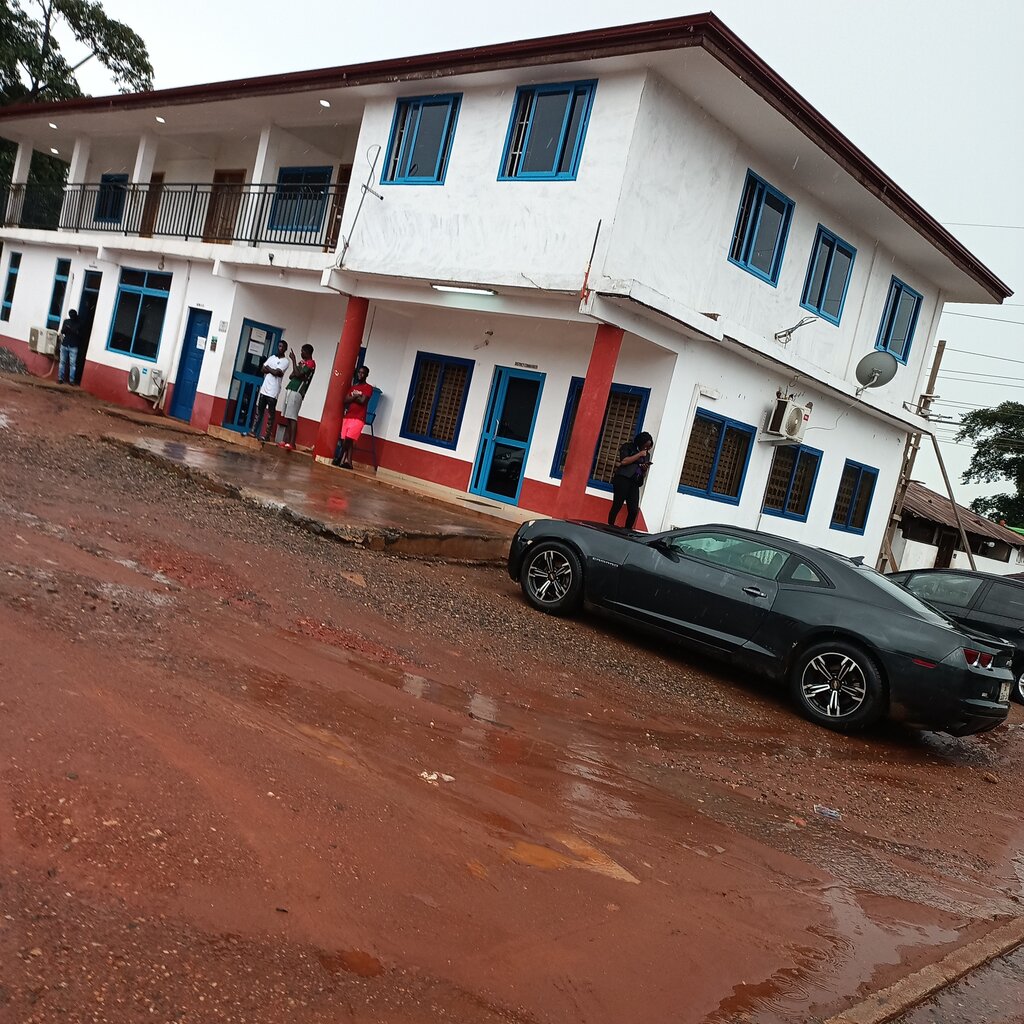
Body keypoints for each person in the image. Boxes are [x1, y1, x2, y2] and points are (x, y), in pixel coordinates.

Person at [245, 339, 290, 442]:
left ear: (285, 349)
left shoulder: (285, 361)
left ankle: (267, 435)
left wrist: (269, 369)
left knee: (270, 414)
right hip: (264, 389)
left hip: (273, 391)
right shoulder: (272, 358)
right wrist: (272, 370)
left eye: (282, 347)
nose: (280, 348)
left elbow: (277, 372)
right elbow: (262, 369)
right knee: (259, 411)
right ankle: (253, 431)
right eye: (279, 346)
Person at [608, 431, 654, 530]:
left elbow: (643, 474)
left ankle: (627, 530)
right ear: (640, 443)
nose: (646, 449)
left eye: (649, 447)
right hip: (623, 479)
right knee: (618, 504)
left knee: (633, 509)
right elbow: (624, 461)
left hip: (635, 481)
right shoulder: (628, 447)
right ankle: (610, 526)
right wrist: (639, 454)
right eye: (645, 446)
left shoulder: (647, 455)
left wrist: (644, 469)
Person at [332, 365, 373, 469]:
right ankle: (349, 462)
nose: (360, 374)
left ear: (367, 375)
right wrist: (356, 396)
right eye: (359, 372)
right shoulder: (353, 387)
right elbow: (345, 400)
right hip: (348, 416)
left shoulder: (368, 388)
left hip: (359, 418)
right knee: (345, 440)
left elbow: (363, 401)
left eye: (363, 373)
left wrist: (353, 397)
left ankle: (339, 457)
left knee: (348, 439)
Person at [277, 343, 316, 450]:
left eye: (302, 351)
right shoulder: (302, 363)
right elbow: (291, 376)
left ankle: (292, 443)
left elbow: (298, 374)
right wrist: (297, 368)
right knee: (288, 417)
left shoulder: (311, 363)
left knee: (293, 417)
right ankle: (285, 440)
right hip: (291, 388)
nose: (301, 353)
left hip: (298, 391)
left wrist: (294, 360)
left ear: (307, 352)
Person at [57, 309, 82, 386]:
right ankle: (60, 379)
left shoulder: (79, 323)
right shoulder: (66, 321)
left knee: (72, 364)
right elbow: (62, 331)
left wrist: (70, 329)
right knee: (62, 362)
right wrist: (66, 329)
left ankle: (71, 380)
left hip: (73, 345)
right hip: (65, 344)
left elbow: (79, 334)